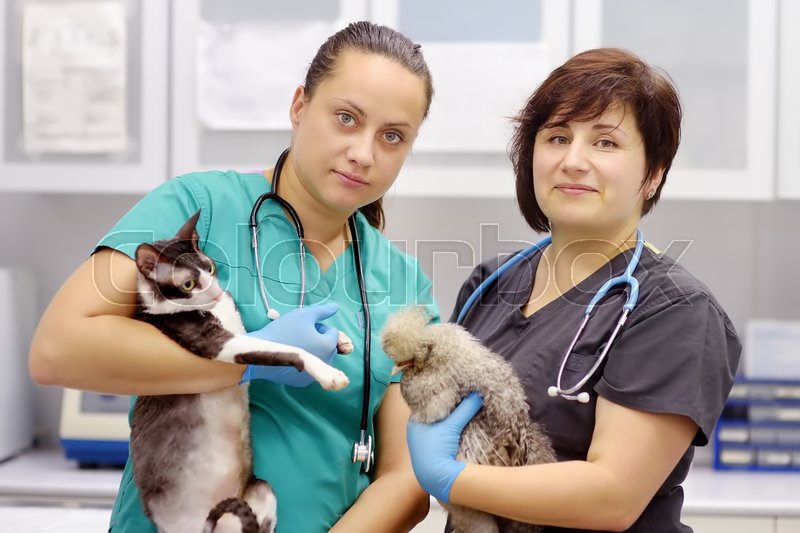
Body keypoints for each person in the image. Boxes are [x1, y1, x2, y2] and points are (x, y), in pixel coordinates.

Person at [29, 21, 439, 532]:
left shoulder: (404, 283)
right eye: (346, 118)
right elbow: (58, 348)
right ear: (298, 106)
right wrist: (248, 363)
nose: (364, 153)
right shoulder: (197, 208)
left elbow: (406, 479)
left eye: (392, 136)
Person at [405, 48, 741, 532]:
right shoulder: (489, 284)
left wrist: (448, 478)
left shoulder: (675, 311)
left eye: (606, 143)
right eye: (557, 137)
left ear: (653, 173)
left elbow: (612, 497)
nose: (573, 161)